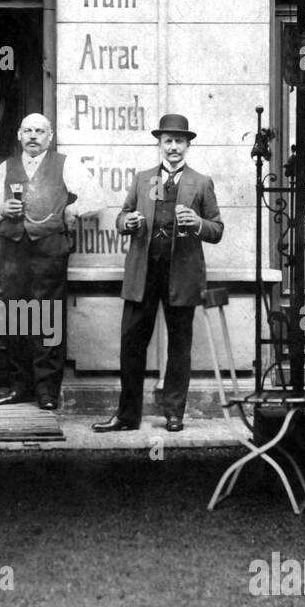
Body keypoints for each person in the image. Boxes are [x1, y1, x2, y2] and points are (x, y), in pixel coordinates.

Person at [92, 114, 223, 434]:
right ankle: (127, 415)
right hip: (143, 274)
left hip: (182, 276)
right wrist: (129, 223)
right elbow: (122, 218)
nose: (173, 147)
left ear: (188, 145)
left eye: (179, 141)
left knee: (180, 347)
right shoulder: (143, 179)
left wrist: (197, 223)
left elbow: (217, 229)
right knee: (131, 345)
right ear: (159, 144)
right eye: (168, 141)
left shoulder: (201, 182)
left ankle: (175, 413)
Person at [0, 113, 103, 410]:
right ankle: (19, 386)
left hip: (50, 251)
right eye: (28, 131)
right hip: (12, 252)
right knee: (15, 317)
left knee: (48, 318)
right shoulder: (5, 167)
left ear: (50, 136)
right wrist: (2, 208)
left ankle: (46, 391)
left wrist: (73, 211)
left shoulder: (65, 163)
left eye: (40, 131)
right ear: (20, 135)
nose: (33, 136)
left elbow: (96, 197)